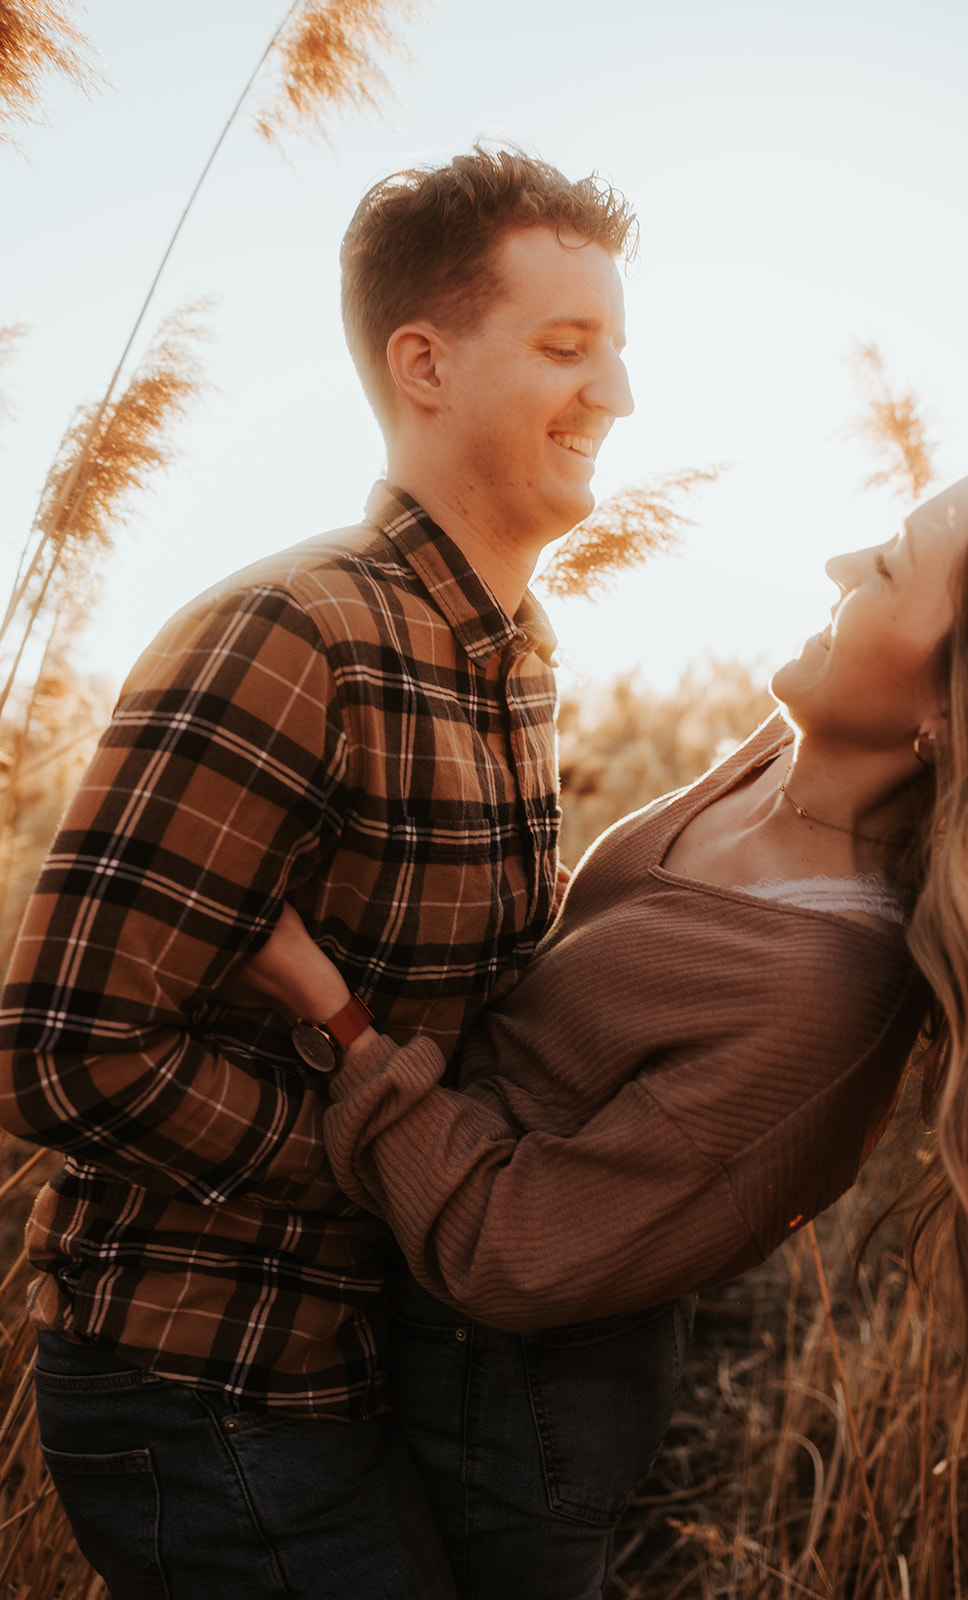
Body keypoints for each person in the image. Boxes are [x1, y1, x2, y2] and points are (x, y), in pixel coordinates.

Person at [225, 464, 968, 1598]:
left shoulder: (824, 996)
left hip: (507, 1412)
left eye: (889, 568)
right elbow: (599, 971)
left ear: (951, 712)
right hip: (390, 1307)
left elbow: (514, 1252)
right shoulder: (781, 763)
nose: (838, 567)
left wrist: (330, 1008)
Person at [0, 146, 637, 1600]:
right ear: (423, 363)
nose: (614, 393)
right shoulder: (293, 637)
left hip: (369, 1377)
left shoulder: (512, 663)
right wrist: (401, 1173)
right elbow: (60, 1050)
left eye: (615, 347)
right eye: (563, 346)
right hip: (206, 1382)